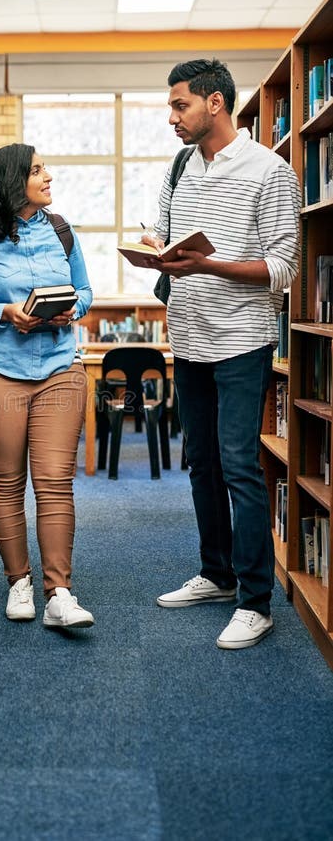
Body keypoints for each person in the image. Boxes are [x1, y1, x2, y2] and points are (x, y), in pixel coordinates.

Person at [144, 58, 301, 649]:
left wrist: (208, 265)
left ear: (215, 103)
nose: (172, 117)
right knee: (202, 462)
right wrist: (155, 248)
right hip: (188, 337)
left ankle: (255, 602)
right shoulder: (180, 166)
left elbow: (283, 268)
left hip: (241, 340)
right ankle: (216, 573)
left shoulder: (270, 171)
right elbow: (164, 231)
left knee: (239, 465)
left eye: (180, 104)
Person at [0, 143, 94, 629]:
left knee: (55, 481)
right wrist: (2, 313)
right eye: (37, 170)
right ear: (12, 182)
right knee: (6, 481)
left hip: (60, 367)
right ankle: (18, 582)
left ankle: (60, 593)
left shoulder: (61, 230)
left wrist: (72, 309)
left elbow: (86, 291)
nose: (48, 177)